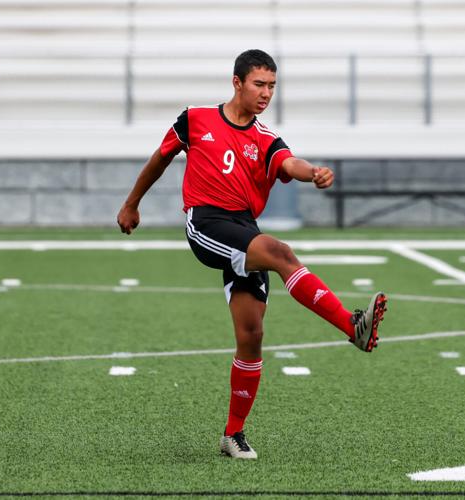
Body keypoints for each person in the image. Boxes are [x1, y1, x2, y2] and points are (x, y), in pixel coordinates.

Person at [116, 49, 388, 460]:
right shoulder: (195, 119)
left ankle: (232, 434)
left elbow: (288, 162)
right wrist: (132, 203)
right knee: (281, 253)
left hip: (244, 230)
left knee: (252, 335)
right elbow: (161, 158)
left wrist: (311, 171)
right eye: (259, 84)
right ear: (237, 82)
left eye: (272, 87)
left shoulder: (265, 139)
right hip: (205, 224)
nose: (266, 94)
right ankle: (352, 327)